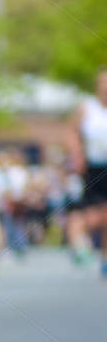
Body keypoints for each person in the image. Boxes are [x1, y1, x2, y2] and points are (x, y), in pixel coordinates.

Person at [69, 67, 107, 277]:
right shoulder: (87, 107)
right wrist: (77, 155)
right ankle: (80, 244)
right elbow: (72, 132)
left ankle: (105, 258)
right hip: (92, 167)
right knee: (93, 218)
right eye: (103, 82)